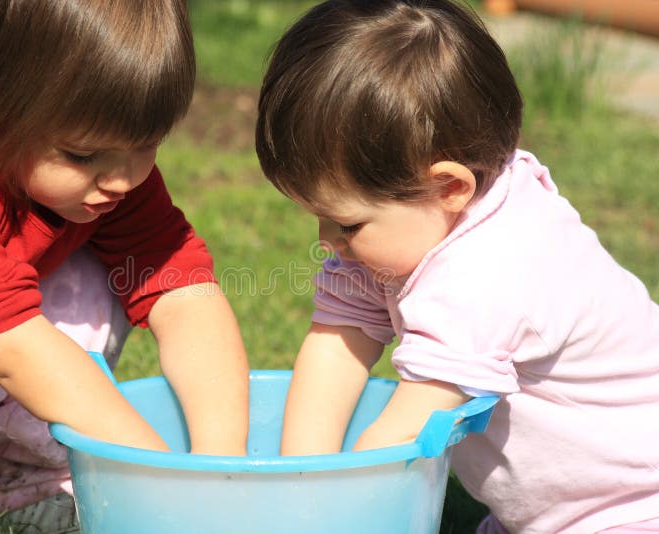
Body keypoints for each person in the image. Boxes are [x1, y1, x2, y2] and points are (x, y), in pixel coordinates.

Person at [255, 1, 659, 532]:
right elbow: (338, 339)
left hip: (634, 499)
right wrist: (301, 482)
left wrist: (331, 509)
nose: (327, 241)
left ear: (449, 187)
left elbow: (409, 428)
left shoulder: (492, 271)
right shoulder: (412, 227)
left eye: (347, 224)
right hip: (563, 505)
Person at [0, 1, 250, 532]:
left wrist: (219, 468)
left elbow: (184, 294)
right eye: (83, 155)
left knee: (100, 276)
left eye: (146, 145)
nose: (121, 179)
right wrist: (155, 477)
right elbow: (13, 346)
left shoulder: (103, 178)